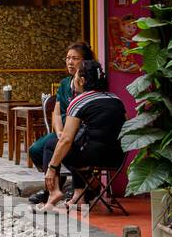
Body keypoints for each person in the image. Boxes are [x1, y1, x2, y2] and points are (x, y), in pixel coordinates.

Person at [39, 60, 128, 211]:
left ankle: (53, 193)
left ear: (81, 80)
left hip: (90, 158)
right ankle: (78, 198)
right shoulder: (117, 100)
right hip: (117, 158)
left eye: (76, 78)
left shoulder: (79, 102)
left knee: (52, 144)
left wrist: (52, 168)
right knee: (78, 143)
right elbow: (127, 129)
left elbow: (66, 140)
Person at [28, 42, 95, 205]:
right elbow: (57, 112)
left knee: (61, 149)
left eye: (75, 58)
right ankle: (56, 186)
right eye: (68, 58)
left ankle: (63, 188)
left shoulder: (90, 83)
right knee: (36, 149)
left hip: (81, 133)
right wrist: (58, 131)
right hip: (63, 131)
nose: (70, 62)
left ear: (85, 61)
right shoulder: (65, 83)